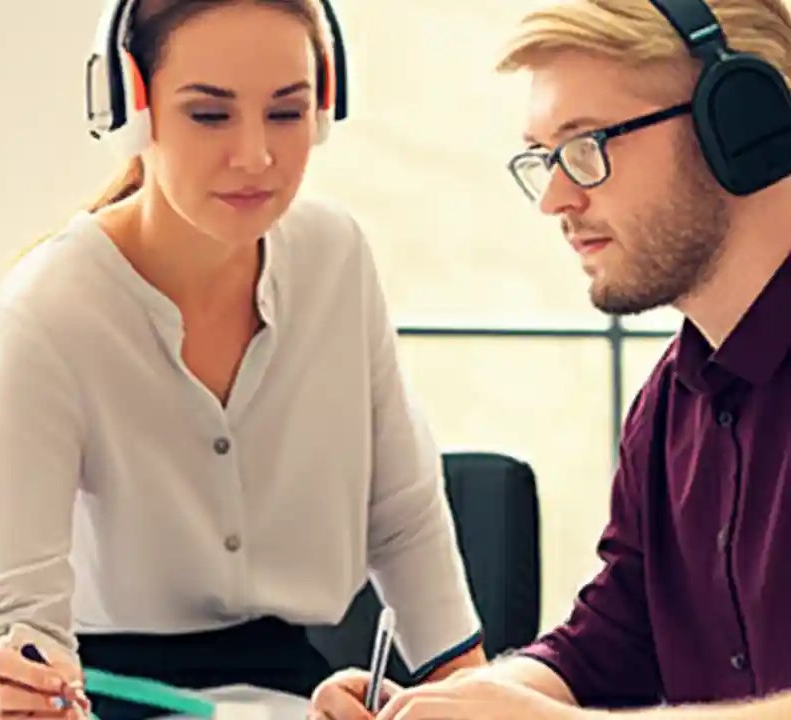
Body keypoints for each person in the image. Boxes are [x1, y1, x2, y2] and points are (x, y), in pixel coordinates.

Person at [0, 0, 489, 717]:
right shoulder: (48, 309)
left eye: (285, 112)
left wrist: (473, 698)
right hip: (103, 691)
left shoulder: (336, 257)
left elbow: (402, 517)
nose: (255, 157)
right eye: (210, 116)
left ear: (324, 105)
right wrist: (17, 677)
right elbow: (15, 617)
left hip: (289, 687)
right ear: (134, 109)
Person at [309, 0, 791, 718]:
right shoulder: (670, 405)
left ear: (740, 126)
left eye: (589, 143)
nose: (556, 198)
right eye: (545, 158)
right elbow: (607, 645)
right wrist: (462, 703)